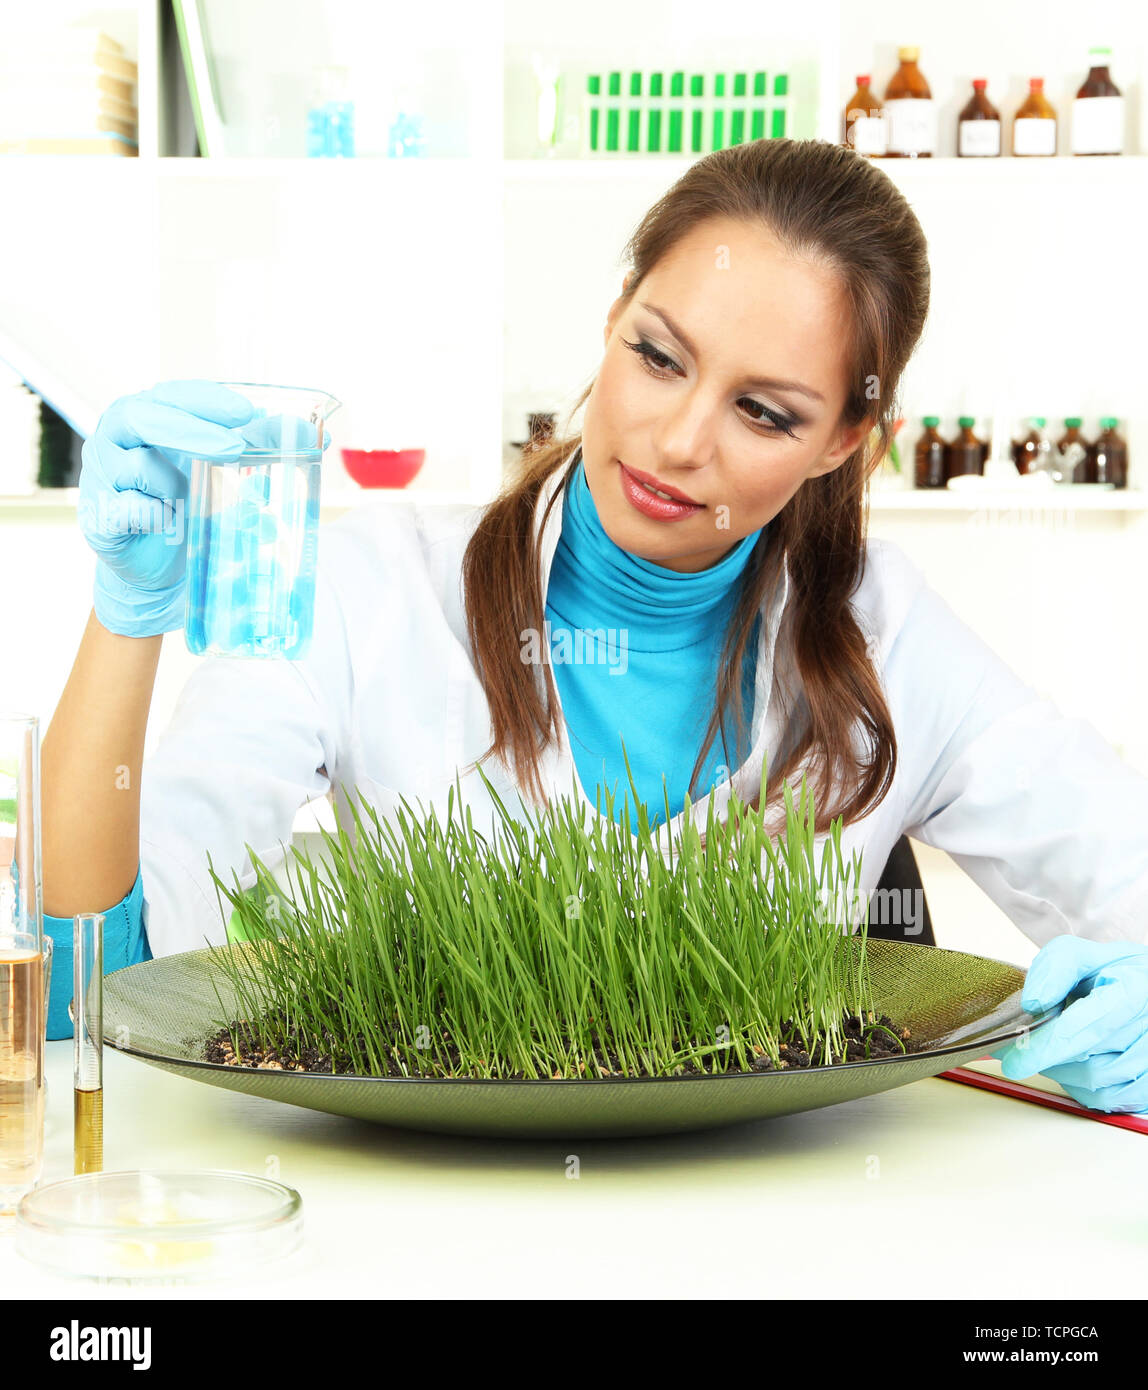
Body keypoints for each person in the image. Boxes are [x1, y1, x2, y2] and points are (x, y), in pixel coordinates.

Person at [41, 138, 1148, 1113]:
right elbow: (99, 973)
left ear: (845, 440)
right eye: (658, 356)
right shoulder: (371, 587)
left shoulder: (891, 635)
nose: (676, 440)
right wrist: (125, 618)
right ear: (613, 315)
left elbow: (1116, 863)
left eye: (764, 411)